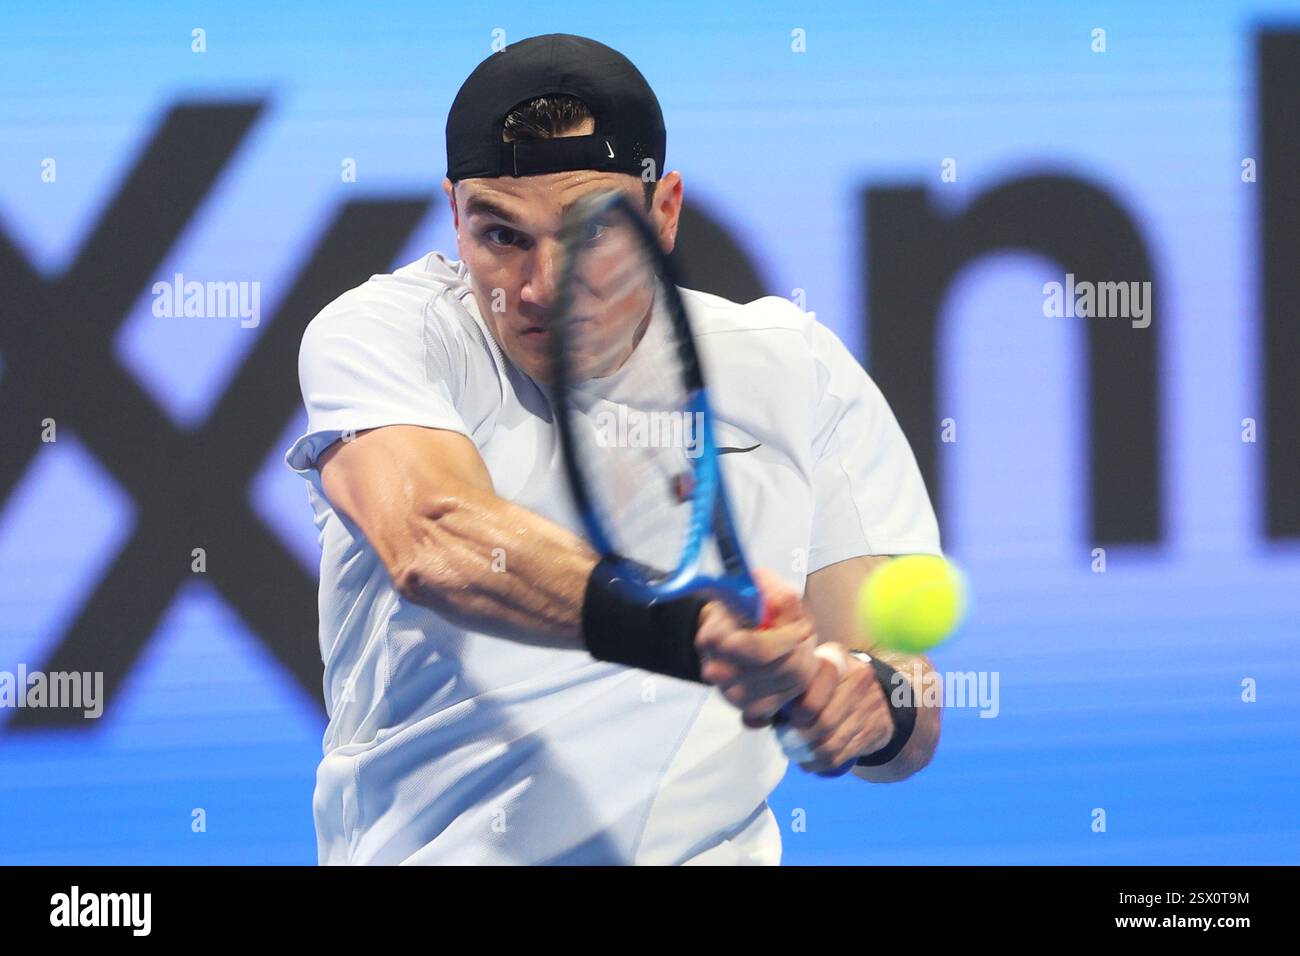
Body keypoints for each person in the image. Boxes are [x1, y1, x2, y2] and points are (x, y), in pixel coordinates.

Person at [286, 33, 943, 865]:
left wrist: (869, 703)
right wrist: (693, 629)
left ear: (663, 212)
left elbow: (903, 694)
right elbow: (433, 537)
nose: (541, 289)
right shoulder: (385, 334)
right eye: (501, 235)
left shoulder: (794, 367)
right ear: (454, 214)